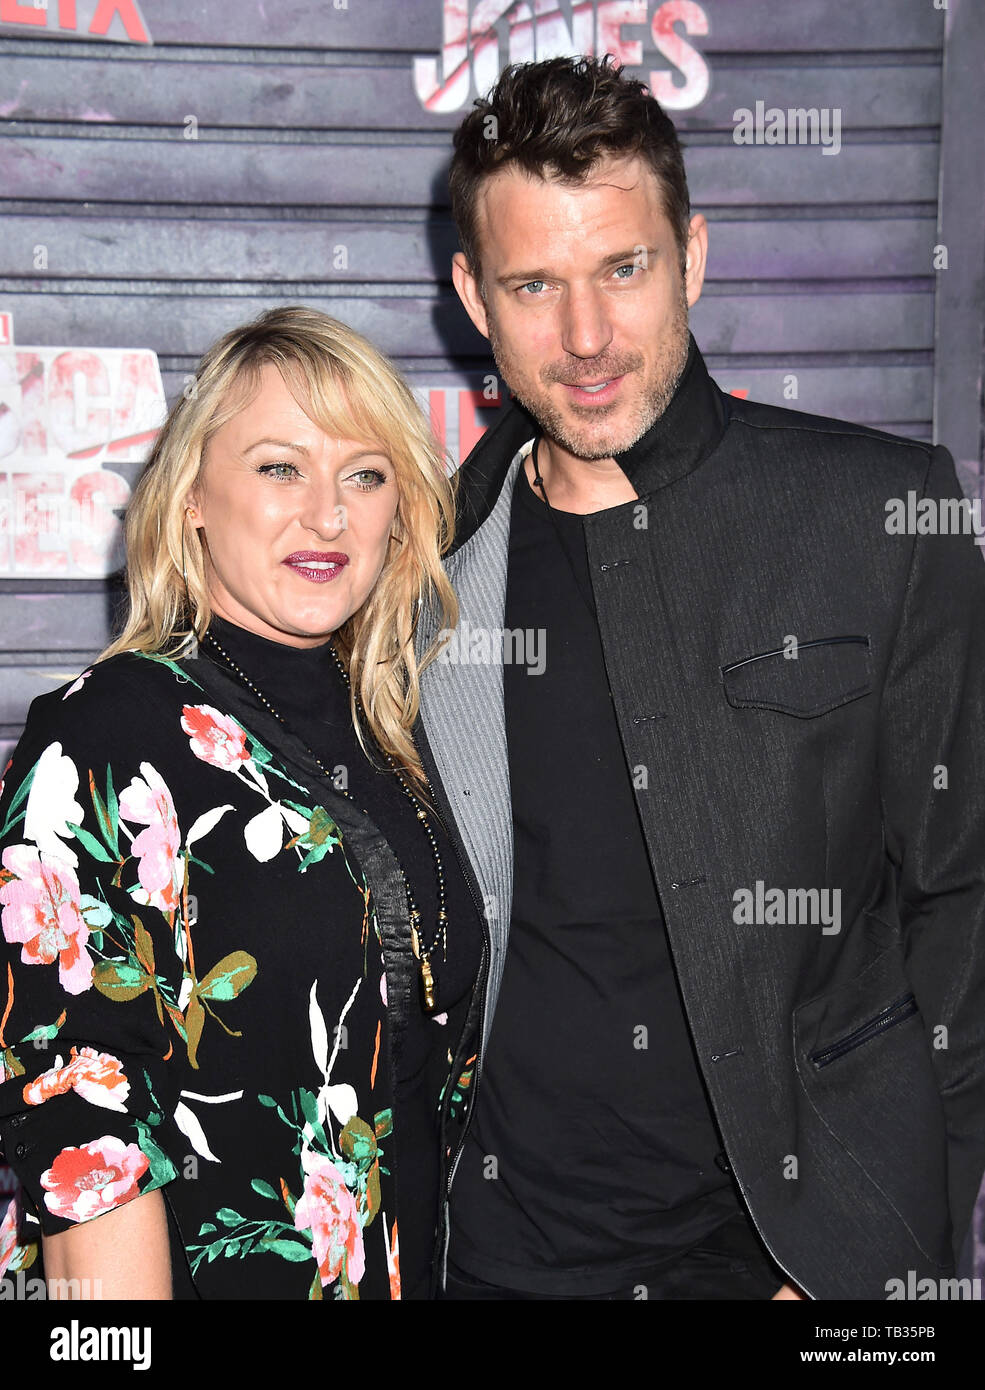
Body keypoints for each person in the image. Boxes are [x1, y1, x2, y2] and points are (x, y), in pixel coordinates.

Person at [406, 57, 985, 1300]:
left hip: (792, 1270)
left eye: (624, 268)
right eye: (532, 284)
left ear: (694, 256)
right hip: (495, 1268)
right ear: (472, 295)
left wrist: (876, 1250)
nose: (585, 337)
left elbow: (964, 899)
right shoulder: (421, 567)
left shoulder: (874, 516)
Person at [0, 306, 485, 1300]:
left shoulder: (405, 732)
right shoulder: (106, 732)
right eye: (278, 468)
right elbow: (80, 1122)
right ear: (191, 500)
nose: (328, 514)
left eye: (366, 473)